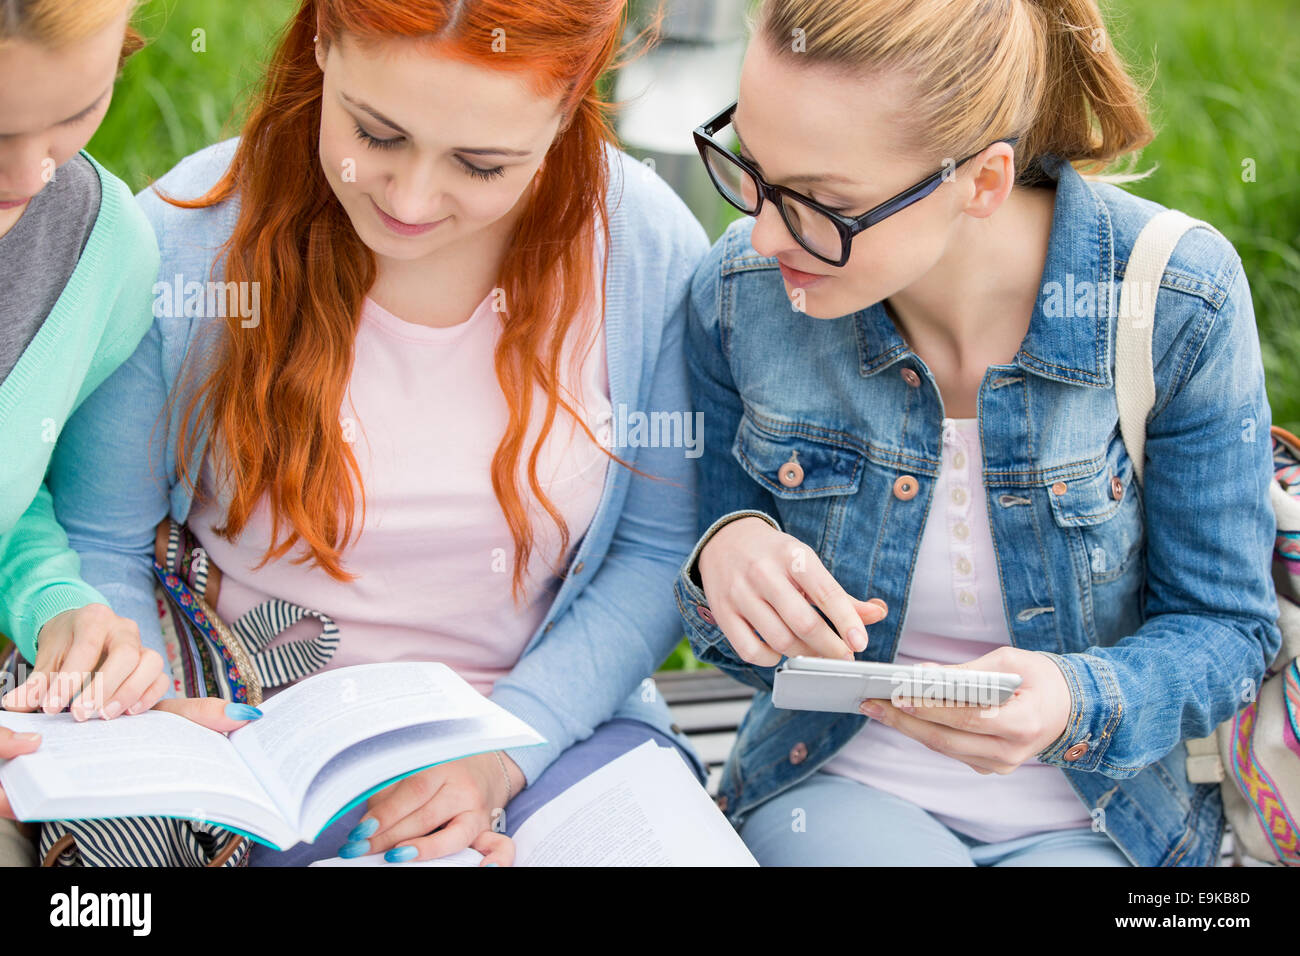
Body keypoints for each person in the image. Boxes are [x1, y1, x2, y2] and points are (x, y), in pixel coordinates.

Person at [50, 0, 709, 866]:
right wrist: (174, 729)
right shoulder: (184, 239)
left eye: (481, 164)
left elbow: (660, 549)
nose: (409, 199)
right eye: (378, 134)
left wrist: (505, 754)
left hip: (552, 730)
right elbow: (102, 536)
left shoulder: (642, 246)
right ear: (322, 38)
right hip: (267, 751)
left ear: (571, 101)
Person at [675, 0, 1279, 867]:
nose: (766, 231)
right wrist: (725, 557)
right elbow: (731, 637)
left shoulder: (1176, 298)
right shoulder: (742, 292)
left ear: (983, 182)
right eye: (754, 169)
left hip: (1105, 817)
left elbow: (1228, 632)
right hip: (837, 786)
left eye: (822, 203)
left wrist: (1072, 703)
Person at [0, 0, 176, 865]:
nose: (30, 175)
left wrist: (55, 602)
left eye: (75, 113)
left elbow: (13, 491)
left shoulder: (103, 253)